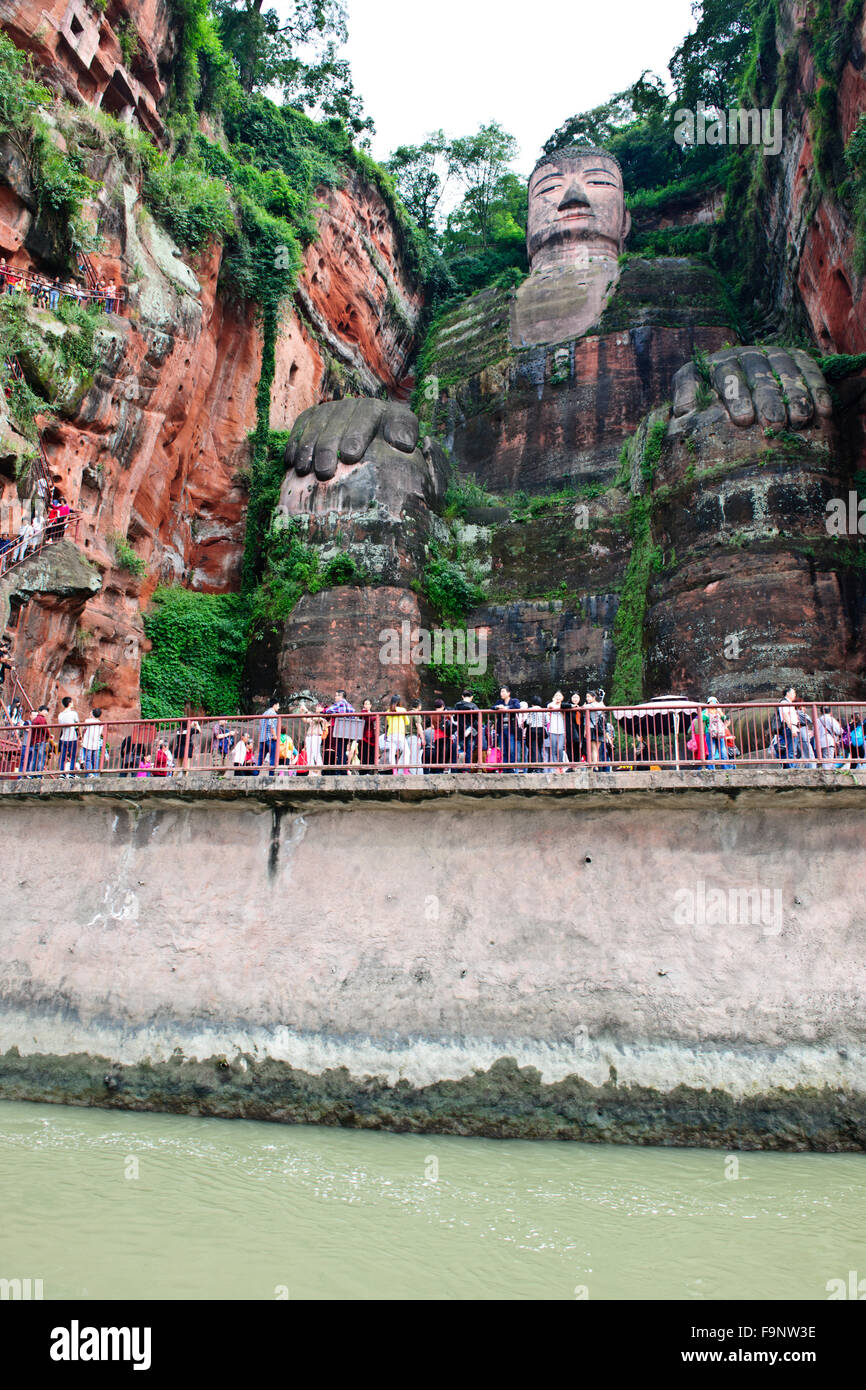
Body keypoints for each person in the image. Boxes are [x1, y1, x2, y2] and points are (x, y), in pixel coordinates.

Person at [325, 690, 355, 773]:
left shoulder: (340, 704)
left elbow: (329, 710)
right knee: (343, 749)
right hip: (347, 730)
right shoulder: (350, 705)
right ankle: (344, 769)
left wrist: (324, 710)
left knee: (339, 750)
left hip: (339, 729)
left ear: (341, 696)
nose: (335, 697)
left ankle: (340, 770)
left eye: (336, 695)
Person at [494, 686, 522, 771]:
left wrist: (506, 708)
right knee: (504, 750)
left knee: (512, 749)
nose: (501, 693)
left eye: (503, 692)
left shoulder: (514, 701)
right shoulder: (499, 702)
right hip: (502, 729)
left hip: (511, 729)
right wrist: (498, 707)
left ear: (508, 693)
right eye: (501, 692)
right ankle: (505, 768)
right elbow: (493, 707)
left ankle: (512, 768)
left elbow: (517, 706)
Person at [703, 697, 734, 770]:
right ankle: (712, 768)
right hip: (710, 733)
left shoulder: (718, 711)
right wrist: (708, 710)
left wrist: (719, 711)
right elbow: (703, 719)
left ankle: (724, 768)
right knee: (712, 752)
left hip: (719, 733)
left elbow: (724, 718)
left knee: (722, 751)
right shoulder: (705, 711)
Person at [452, 690, 479, 770]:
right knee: (469, 750)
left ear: (462, 696)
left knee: (459, 749)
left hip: (460, 730)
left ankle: (456, 769)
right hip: (471, 731)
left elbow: (455, 718)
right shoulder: (474, 706)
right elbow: (478, 718)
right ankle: (467, 769)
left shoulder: (457, 705)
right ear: (472, 697)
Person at [19, 704, 49, 776]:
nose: (35, 717)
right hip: (29, 744)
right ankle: (37, 775)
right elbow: (45, 730)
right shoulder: (39, 720)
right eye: (33, 715)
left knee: (32, 759)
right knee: (38, 759)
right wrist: (47, 737)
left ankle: (30, 775)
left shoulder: (34, 722)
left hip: (33, 743)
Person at [385, 695, 409, 771]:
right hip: (399, 732)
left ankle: (394, 770)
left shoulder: (388, 711)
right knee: (406, 751)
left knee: (392, 752)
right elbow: (407, 722)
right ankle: (405, 770)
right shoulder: (402, 710)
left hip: (391, 734)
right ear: (399, 702)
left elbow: (388, 722)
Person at [57, 696, 79, 776]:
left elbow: (61, 726)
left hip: (63, 738)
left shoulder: (60, 715)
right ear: (69, 703)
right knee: (73, 756)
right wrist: (79, 735)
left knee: (62, 756)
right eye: (72, 702)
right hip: (72, 737)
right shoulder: (73, 713)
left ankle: (62, 773)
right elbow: (77, 724)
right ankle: (71, 773)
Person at [303, 702, 328, 773]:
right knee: (309, 753)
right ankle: (311, 772)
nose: (317, 707)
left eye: (319, 706)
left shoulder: (322, 716)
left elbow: (316, 718)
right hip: (309, 735)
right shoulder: (314, 715)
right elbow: (306, 720)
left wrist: (306, 710)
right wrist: (301, 712)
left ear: (323, 709)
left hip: (316, 735)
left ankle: (319, 771)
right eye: (317, 706)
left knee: (316, 752)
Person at [257, 701, 280, 775]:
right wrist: (275, 735)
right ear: (274, 705)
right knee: (272, 758)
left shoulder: (264, 713)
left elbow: (260, 725)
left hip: (262, 738)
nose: (278, 707)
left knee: (260, 759)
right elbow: (271, 725)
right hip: (270, 739)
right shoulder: (273, 713)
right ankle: (271, 775)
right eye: (278, 705)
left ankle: (255, 773)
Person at [81, 707, 104, 776]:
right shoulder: (101, 723)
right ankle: (95, 775)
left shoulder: (88, 721)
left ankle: (89, 774)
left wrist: (81, 737)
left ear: (93, 713)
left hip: (87, 743)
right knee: (95, 760)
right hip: (96, 743)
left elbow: (83, 729)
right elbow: (99, 733)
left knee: (88, 759)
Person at [547, 691, 567, 769]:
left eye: (559, 696)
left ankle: (561, 763)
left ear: (562, 697)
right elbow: (549, 706)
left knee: (560, 748)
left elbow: (564, 717)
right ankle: (556, 766)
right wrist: (554, 701)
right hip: (552, 730)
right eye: (556, 696)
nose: (558, 697)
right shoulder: (551, 704)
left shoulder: (564, 705)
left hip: (562, 730)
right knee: (554, 749)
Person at [525, 697, 547, 768]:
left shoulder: (530, 710)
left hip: (533, 730)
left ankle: (536, 767)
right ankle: (541, 767)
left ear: (532, 703)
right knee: (539, 748)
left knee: (534, 749)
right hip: (541, 730)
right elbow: (546, 722)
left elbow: (529, 722)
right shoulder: (543, 710)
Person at [405, 700, 425, 775]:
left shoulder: (407, 713)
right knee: (414, 757)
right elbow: (418, 726)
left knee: (407, 756)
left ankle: (405, 772)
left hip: (406, 737)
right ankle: (414, 773)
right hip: (413, 737)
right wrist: (423, 738)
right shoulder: (416, 714)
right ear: (419, 706)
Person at [360, 699, 378, 772]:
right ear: (363, 705)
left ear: (371, 705)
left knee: (371, 755)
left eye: (368, 704)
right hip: (365, 737)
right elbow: (368, 720)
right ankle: (364, 772)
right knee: (365, 755)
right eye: (365, 704)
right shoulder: (363, 712)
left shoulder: (370, 713)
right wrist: (375, 717)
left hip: (371, 737)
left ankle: (371, 771)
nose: (367, 705)